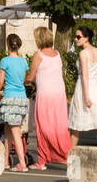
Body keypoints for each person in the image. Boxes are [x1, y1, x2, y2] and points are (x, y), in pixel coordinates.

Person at [27, 26, 71, 170]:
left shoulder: (38, 55)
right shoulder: (57, 53)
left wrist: (22, 79)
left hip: (45, 93)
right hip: (59, 93)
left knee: (43, 127)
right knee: (60, 126)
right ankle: (66, 154)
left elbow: (31, 77)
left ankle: (42, 160)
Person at [0, 33, 30, 172]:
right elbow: (23, 80)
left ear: (8, 45)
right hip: (21, 98)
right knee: (8, 130)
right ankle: (5, 161)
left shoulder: (5, 61)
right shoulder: (23, 62)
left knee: (15, 131)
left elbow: (0, 81)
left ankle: (22, 164)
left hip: (10, 98)